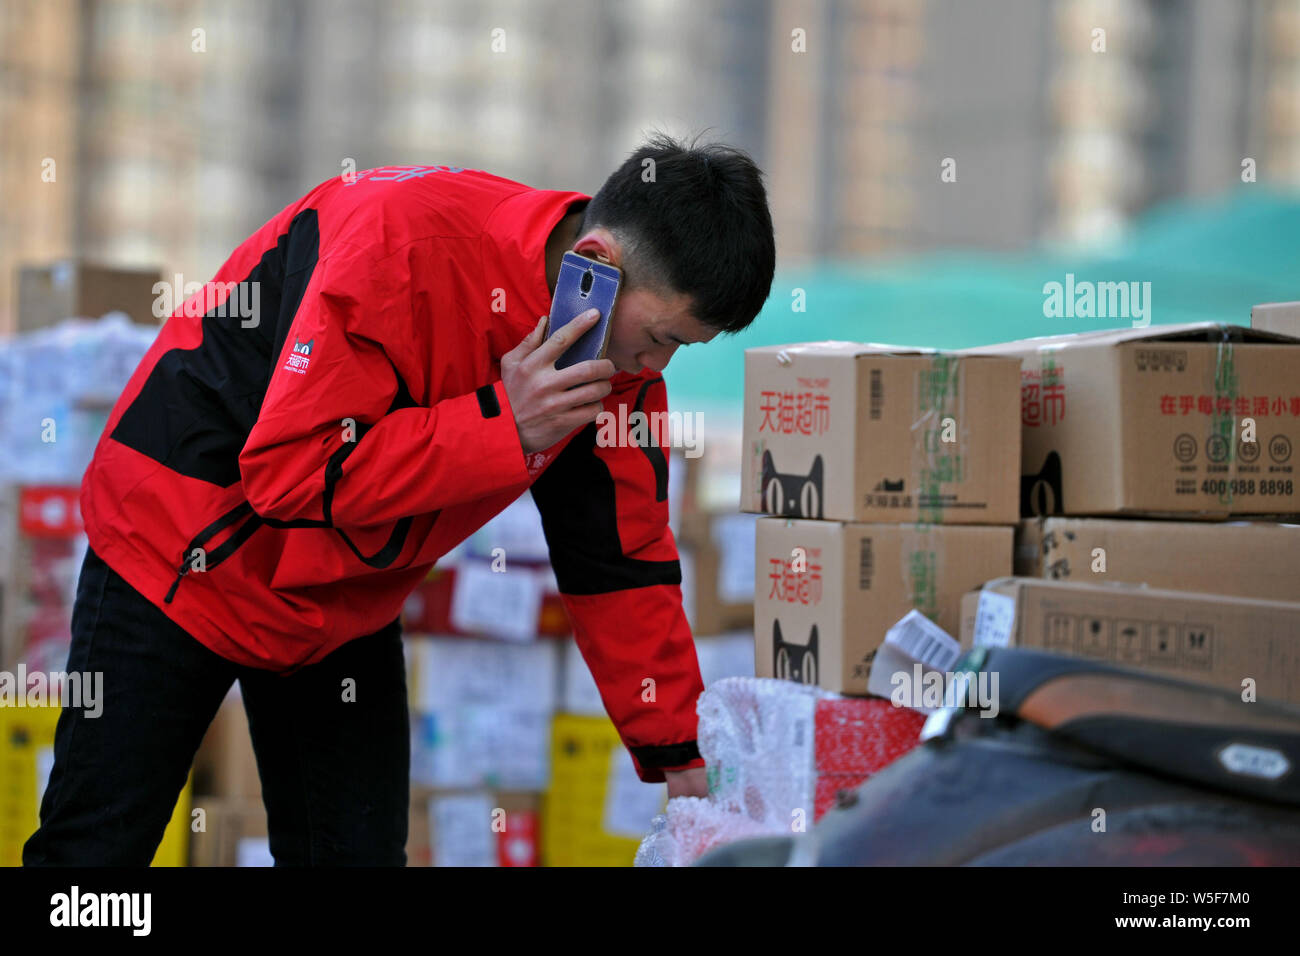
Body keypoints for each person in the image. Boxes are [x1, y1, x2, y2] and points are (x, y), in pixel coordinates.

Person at [23, 131, 776, 866]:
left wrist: (679, 752)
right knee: (96, 852)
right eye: (663, 336)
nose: (656, 364)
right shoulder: (399, 246)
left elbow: (621, 563)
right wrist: (502, 426)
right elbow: (291, 471)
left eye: (683, 346)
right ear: (594, 265)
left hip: (340, 597)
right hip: (178, 550)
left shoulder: (614, 364)